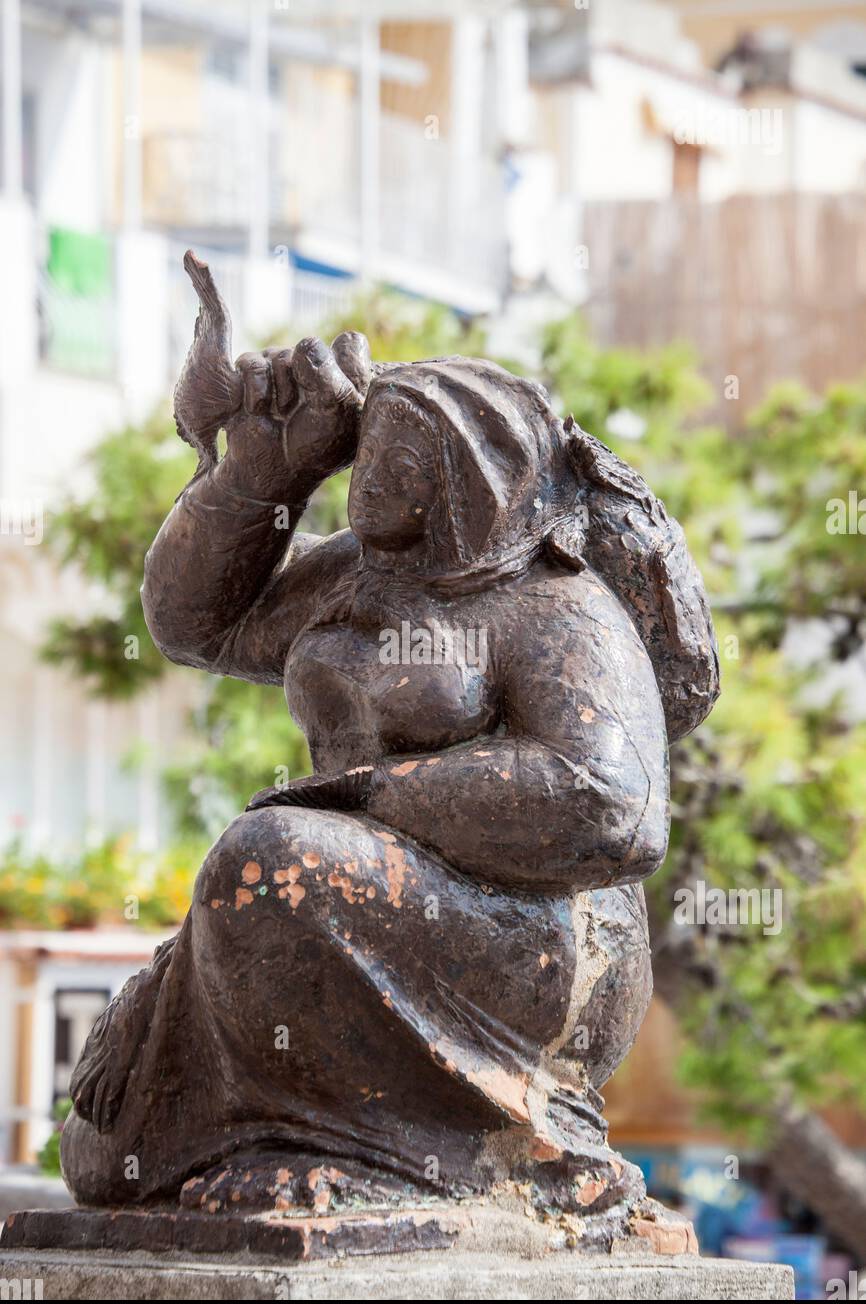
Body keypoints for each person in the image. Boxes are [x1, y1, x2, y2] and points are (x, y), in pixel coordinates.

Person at [61, 255, 718, 1229]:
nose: (371, 471)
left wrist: (366, 797)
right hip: (357, 893)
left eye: (402, 451)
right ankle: (287, 1135)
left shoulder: (551, 606)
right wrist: (263, 468)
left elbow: (608, 803)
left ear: (474, 475)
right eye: (366, 445)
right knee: (108, 1153)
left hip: (534, 944)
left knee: (267, 860)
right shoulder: (355, 577)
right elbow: (194, 624)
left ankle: (382, 1158)